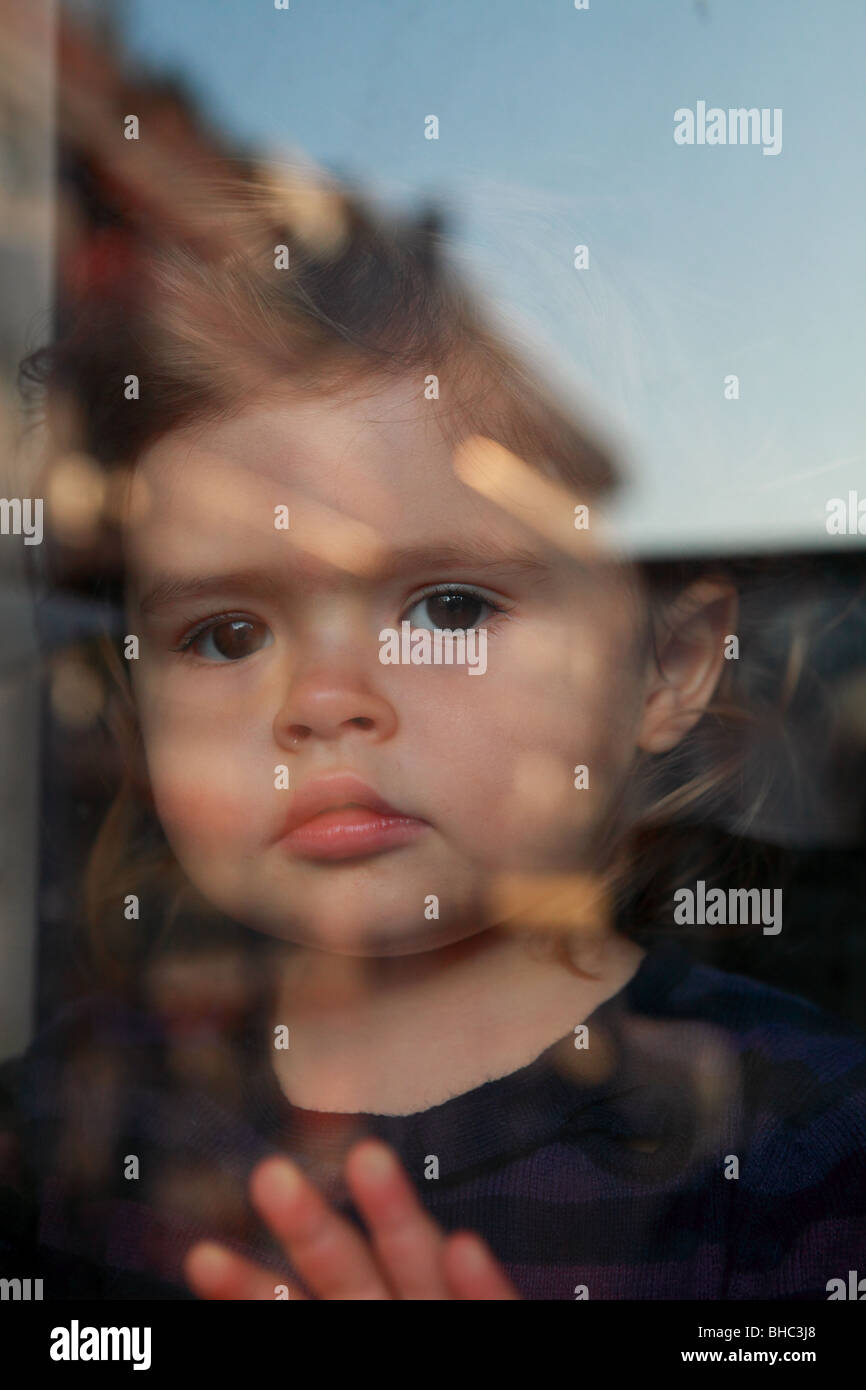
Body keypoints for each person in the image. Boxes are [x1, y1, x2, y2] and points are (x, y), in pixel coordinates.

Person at [3, 171, 865, 1300]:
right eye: (223, 634)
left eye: (447, 607)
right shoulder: (70, 1114)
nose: (323, 700)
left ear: (669, 661)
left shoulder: (801, 1142)